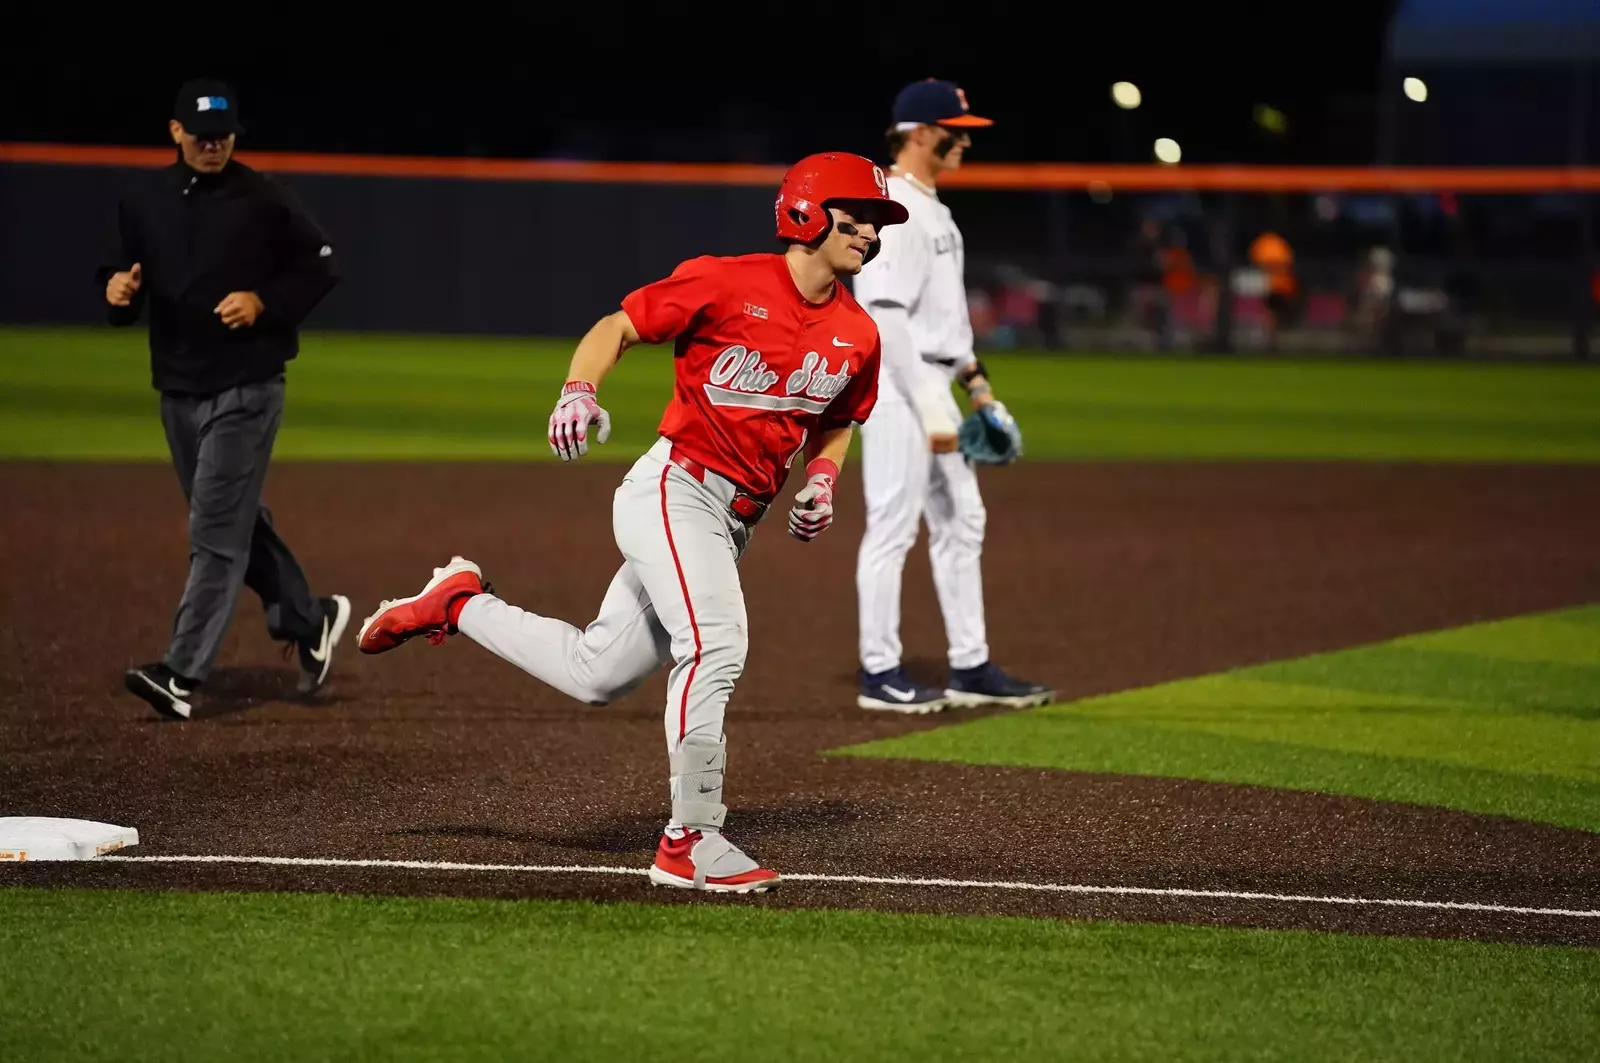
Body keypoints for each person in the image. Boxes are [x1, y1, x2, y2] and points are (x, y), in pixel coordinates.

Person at [355, 152, 907, 894]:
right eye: (860, 213)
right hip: (674, 491)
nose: (871, 232)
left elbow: (837, 420)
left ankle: (458, 600)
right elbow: (616, 326)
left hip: (732, 521)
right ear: (806, 210)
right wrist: (578, 389)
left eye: (878, 221)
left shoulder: (857, 332)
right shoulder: (727, 280)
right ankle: (690, 838)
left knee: (597, 672)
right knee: (717, 645)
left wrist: (825, 478)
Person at [98, 79, 349, 720]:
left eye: (224, 136)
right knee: (232, 519)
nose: (214, 146)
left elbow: (319, 264)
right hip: (177, 390)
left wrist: (265, 302)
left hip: (247, 386)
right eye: (202, 136)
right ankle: (307, 615)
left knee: (213, 532)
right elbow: (121, 269)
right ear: (176, 132)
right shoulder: (144, 199)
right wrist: (117, 290)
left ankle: (181, 674)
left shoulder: (263, 197)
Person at [847, 78, 1054, 715]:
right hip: (899, 385)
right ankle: (878, 671)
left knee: (963, 523)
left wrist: (978, 389)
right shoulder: (895, 208)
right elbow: (885, 312)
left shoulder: (933, 206)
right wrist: (931, 404)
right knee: (891, 526)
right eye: (955, 130)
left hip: (936, 380)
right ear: (919, 134)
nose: (964, 140)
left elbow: (945, 321)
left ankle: (970, 665)